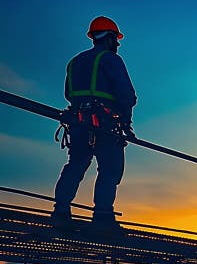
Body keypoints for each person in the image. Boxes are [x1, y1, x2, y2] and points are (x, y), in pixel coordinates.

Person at [52, 16, 136, 232]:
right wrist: (125, 121)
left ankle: (60, 211)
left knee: (76, 164)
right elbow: (126, 95)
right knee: (110, 169)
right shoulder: (111, 60)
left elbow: (68, 93)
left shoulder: (75, 62)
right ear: (108, 38)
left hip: (79, 122)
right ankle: (102, 217)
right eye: (115, 39)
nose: (117, 44)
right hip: (105, 124)